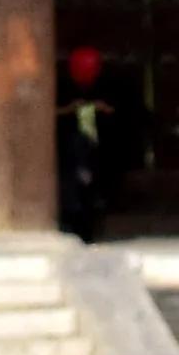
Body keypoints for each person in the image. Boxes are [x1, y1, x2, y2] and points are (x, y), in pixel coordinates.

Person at [55, 46, 118, 241]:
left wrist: (103, 109)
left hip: (98, 146)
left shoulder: (105, 85)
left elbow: (119, 111)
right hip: (69, 146)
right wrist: (69, 109)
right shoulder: (61, 86)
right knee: (72, 187)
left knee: (93, 186)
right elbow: (48, 112)